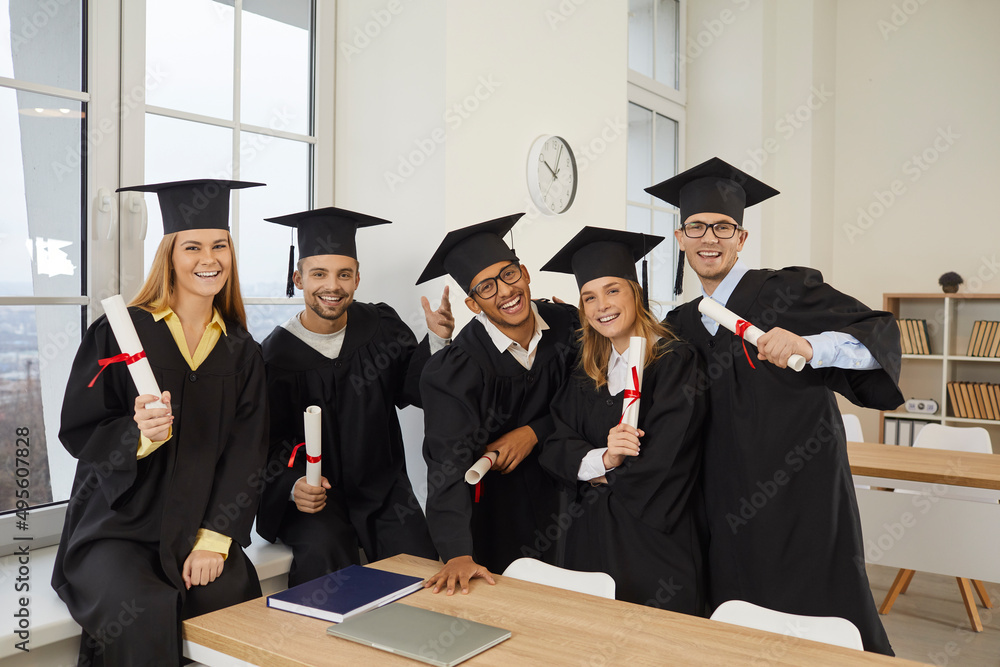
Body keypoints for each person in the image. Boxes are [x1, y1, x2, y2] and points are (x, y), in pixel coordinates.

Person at [648, 157, 903, 654]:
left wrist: (812, 347)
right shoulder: (679, 322)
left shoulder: (784, 291)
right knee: (736, 624)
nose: (709, 238)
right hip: (719, 498)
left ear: (741, 239)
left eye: (723, 227)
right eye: (696, 227)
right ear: (681, 238)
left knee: (821, 623)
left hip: (798, 495)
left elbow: (878, 332)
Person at [52, 179, 269, 665]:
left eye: (220, 246)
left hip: (196, 528)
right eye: (191, 246)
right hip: (116, 528)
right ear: (169, 255)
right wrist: (138, 436)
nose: (207, 258)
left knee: (233, 601)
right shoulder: (119, 333)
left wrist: (215, 540)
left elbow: (247, 451)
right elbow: (78, 430)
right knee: (142, 609)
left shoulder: (241, 352)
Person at [255, 207, 449, 586]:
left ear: (358, 278)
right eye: (319, 274)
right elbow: (262, 445)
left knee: (421, 569)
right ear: (298, 278)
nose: (333, 285)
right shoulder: (274, 358)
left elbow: (411, 386)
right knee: (326, 562)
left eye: (344, 274)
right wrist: (293, 486)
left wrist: (438, 340)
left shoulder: (379, 327)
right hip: (315, 500)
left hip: (383, 488)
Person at [538, 227, 708, 612]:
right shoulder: (586, 373)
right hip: (589, 538)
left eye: (613, 290)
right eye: (590, 297)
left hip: (653, 541)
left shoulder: (674, 361)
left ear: (636, 292)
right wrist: (607, 459)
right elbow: (555, 448)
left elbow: (669, 457)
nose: (602, 306)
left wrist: (593, 472)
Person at [416, 214, 579, 595]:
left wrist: (533, 432)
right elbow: (447, 461)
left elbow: (588, 406)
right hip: (500, 511)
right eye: (486, 288)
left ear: (524, 272)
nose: (504, 291)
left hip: (571, 494)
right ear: (473, 304)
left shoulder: (569, 326)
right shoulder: (455, 368)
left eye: (508, 275)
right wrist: (456, 552)